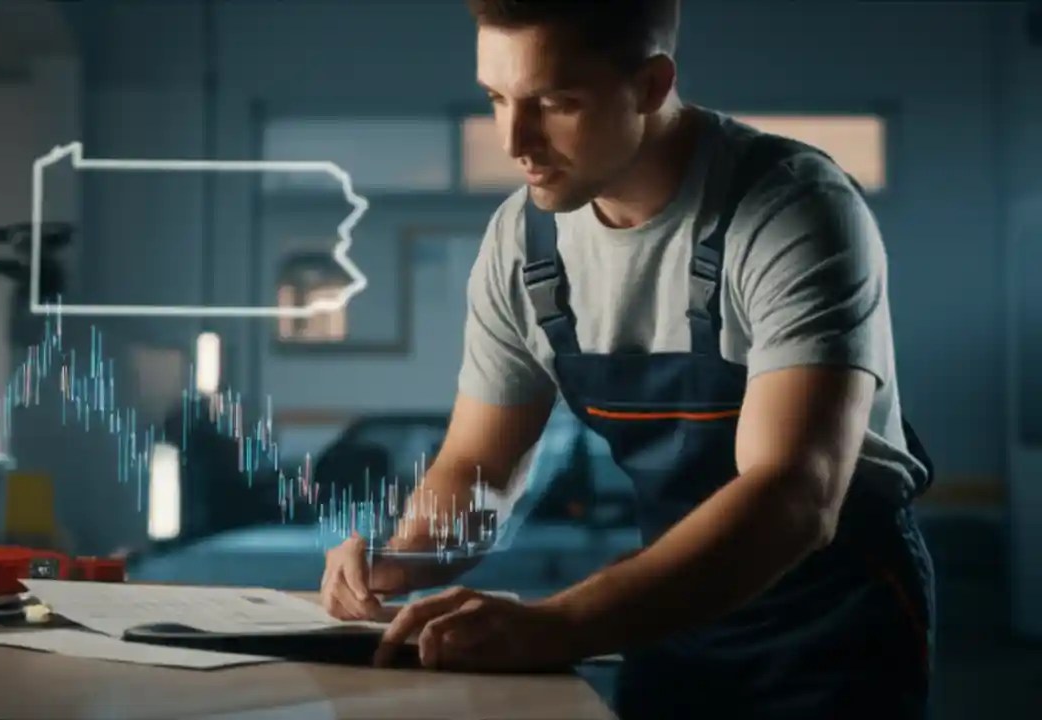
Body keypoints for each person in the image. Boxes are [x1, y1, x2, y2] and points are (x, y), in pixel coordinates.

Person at [319, 0, 936, 716]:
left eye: (556, 102)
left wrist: (562, 624)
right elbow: (476, 468)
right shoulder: (522, 245)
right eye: (497, 99)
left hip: (830, 628)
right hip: (661, 612)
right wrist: (408, 558)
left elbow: (792, 498)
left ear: (649, 86)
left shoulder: (789, 210)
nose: (515, 141)